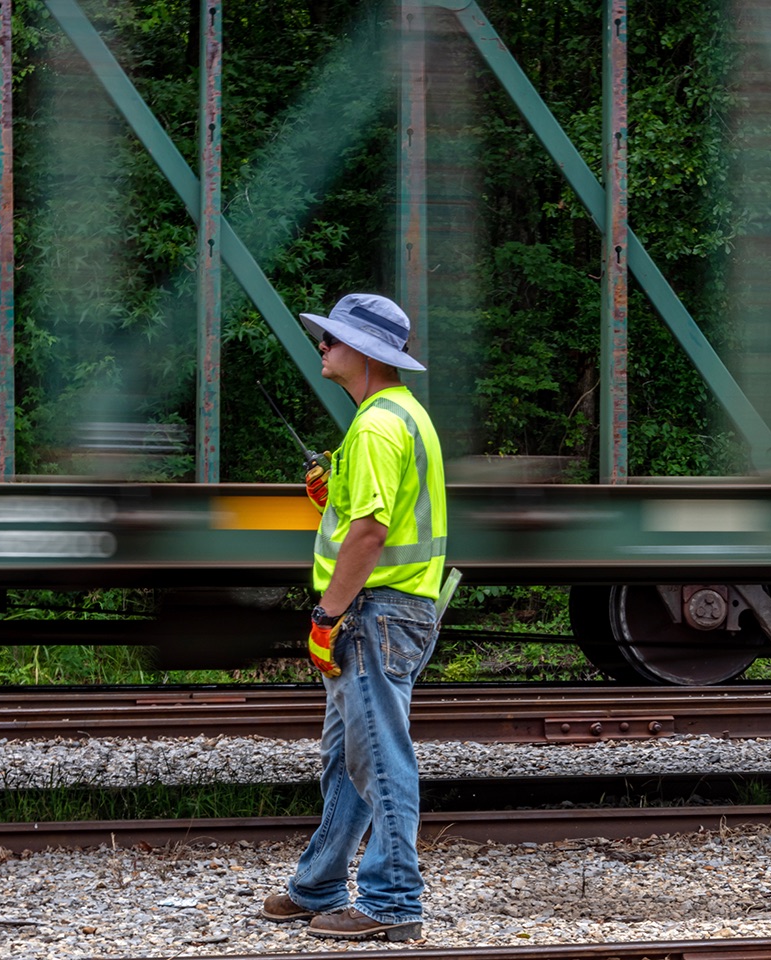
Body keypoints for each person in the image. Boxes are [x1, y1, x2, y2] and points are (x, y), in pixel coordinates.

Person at [259, 293, 448, 942]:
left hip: (375, 612)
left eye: (332, 340)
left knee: (379, 760)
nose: (322, 348)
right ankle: (317, 885)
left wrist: (325, 617)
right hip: (402, 609)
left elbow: (370, 534)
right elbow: (371, 509)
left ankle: (393, 902)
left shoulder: (373, 425)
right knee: (346, 761)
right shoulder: (404, 415)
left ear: (365, 354)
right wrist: (332, 489)